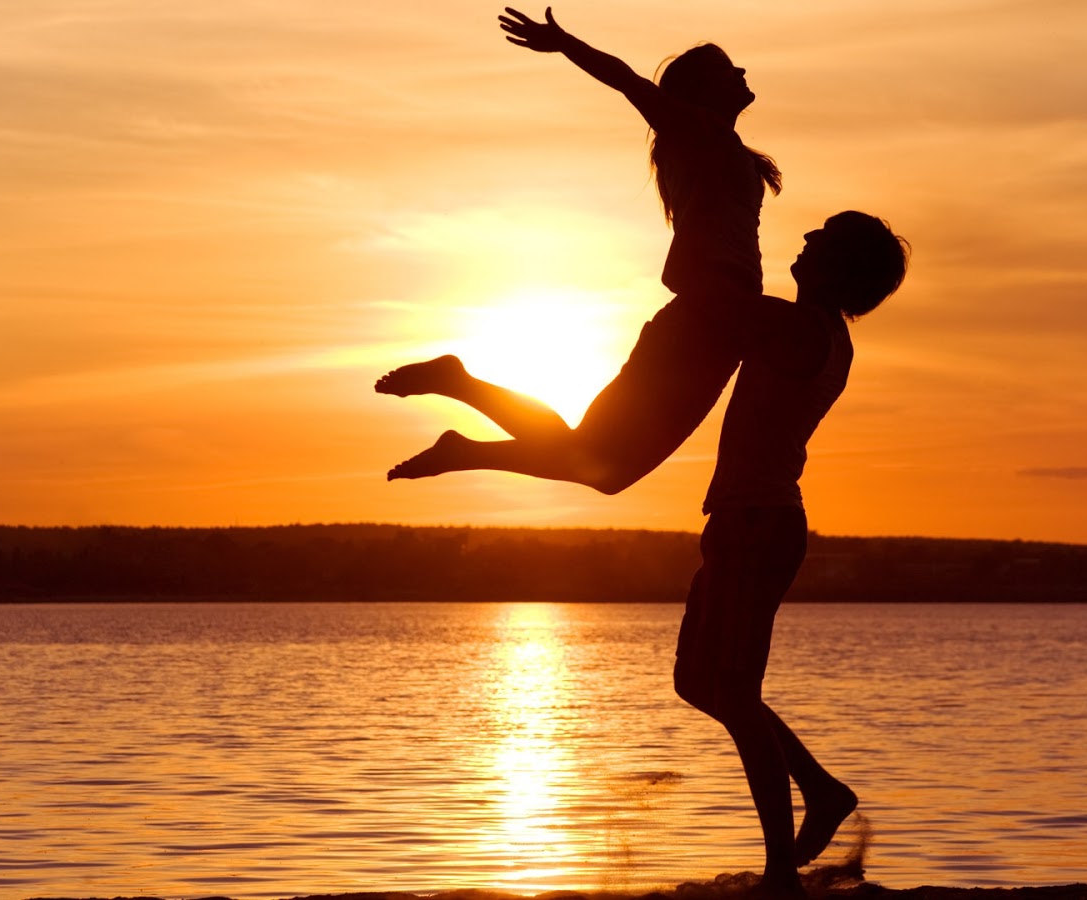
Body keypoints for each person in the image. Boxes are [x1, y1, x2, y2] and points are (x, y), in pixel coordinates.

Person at [378, 7, 780, 495]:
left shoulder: (716, 146)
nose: (740, 72)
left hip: (718, 324)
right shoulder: (697, 133)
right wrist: (566, 44)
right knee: (600, 462)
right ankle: (459, 402)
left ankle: (461, 431)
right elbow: (628, 81)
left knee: (603, 465)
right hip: (703, 322)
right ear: (699, 92)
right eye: (726, 69)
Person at [673, 211, 908, 898]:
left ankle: (780, 872)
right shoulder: (807, 327)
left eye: (821, 239)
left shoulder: (804, 330)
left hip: (758, 525)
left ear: (840, 270)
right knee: (697, 683)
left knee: (736, 693)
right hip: (739, 523)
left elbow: (700, 293)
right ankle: (821, 790)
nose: (804, 240)